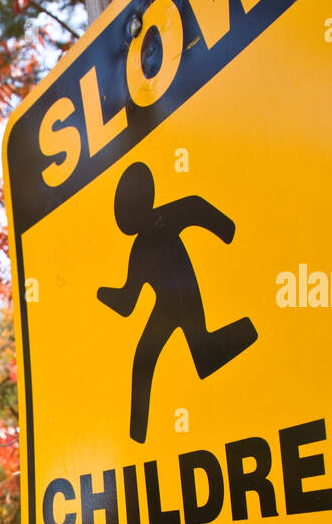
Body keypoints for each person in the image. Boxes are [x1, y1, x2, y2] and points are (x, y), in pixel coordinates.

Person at [97, 161, 258, 443]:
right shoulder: (138, 250)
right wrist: (104, 293)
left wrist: (225, 228)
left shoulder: (165, 217)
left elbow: (194, 207)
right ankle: (136, 438)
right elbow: (128, 302)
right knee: (150, 359)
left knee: (196, 356)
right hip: (167, 307)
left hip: (186, 297)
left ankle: (249, 329)